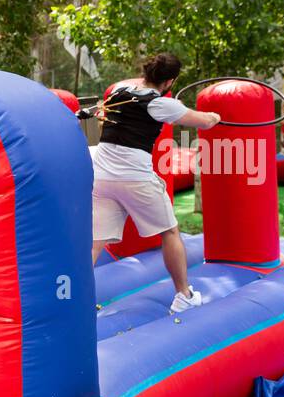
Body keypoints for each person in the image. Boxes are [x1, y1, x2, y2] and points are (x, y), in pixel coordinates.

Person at [86, 52, 221, 313]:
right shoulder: (162, 104)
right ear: (170, 81)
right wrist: (214, 116)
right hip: (135, 178)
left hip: (101, 177)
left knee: (94, 244)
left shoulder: (119, 90)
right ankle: (184, 296)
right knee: (169, 232)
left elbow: (132, 82)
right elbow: (203, 121)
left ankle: (75, 304)